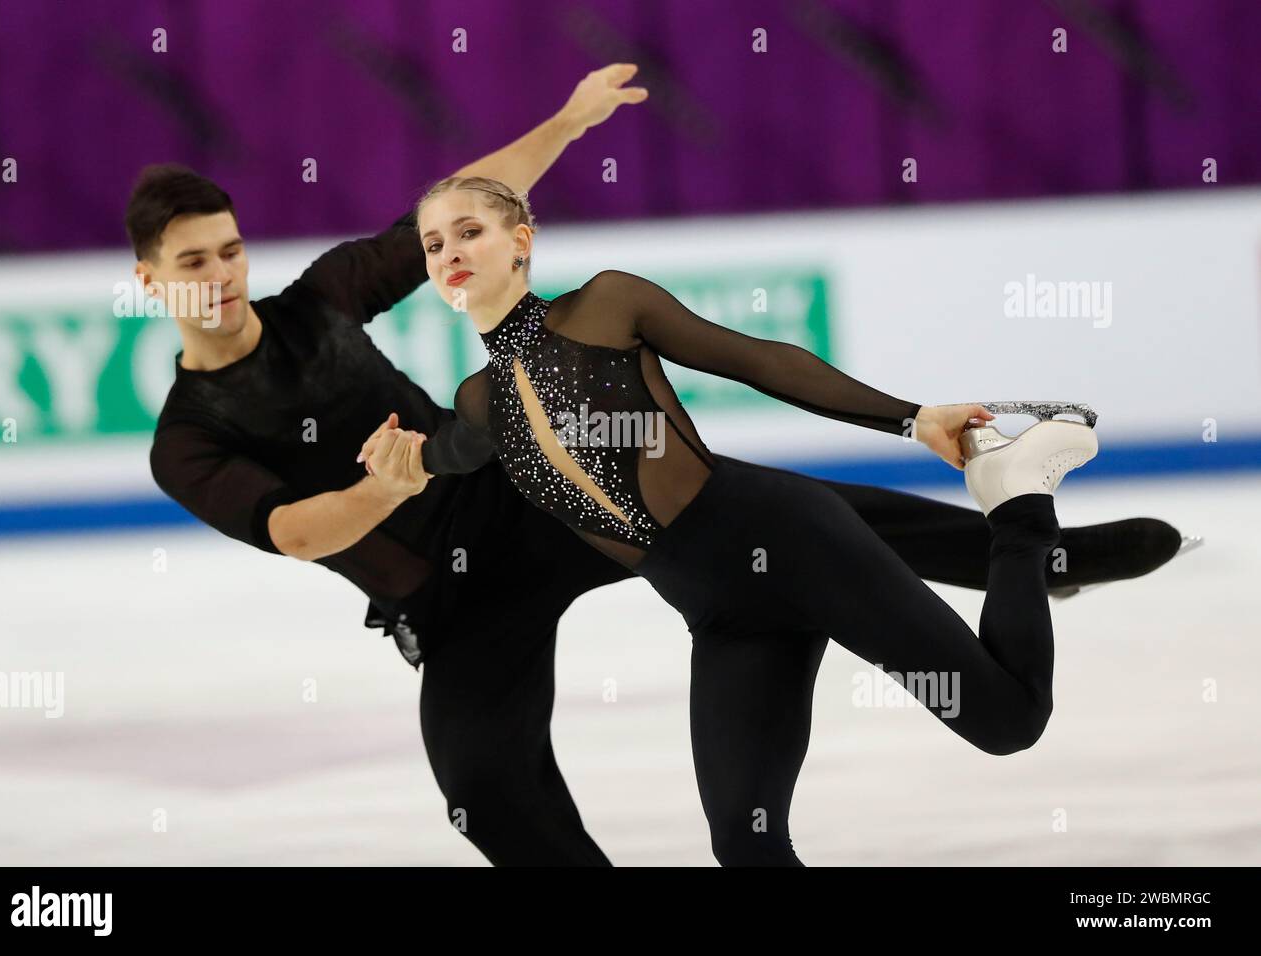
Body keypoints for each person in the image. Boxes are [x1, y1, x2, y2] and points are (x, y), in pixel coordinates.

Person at [136, 85, 1180, 863]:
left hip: (528, 500)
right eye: (193, 263)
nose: (222, 276)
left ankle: (1040, 544)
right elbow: (299, 532)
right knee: (485, 788)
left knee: (730, 500)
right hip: (445, 591)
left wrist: (567, 122)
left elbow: (458, 210)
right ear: (150, 281)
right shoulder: (187, 439)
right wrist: (390, 485)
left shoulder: (326, 296)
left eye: (227, 250)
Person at [391, 175, 1151, 866]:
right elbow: (455, 452)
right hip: (721, 611)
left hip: (788, 540)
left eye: (469, 232)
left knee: (1007, 722)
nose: (450, 252)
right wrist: (407, 459)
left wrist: (912, 418)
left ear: (520, 241)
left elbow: (758, 359)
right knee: (746, 842)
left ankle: (1016, 505)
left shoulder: (605, 304)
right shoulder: (478, 401)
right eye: (433, 244)